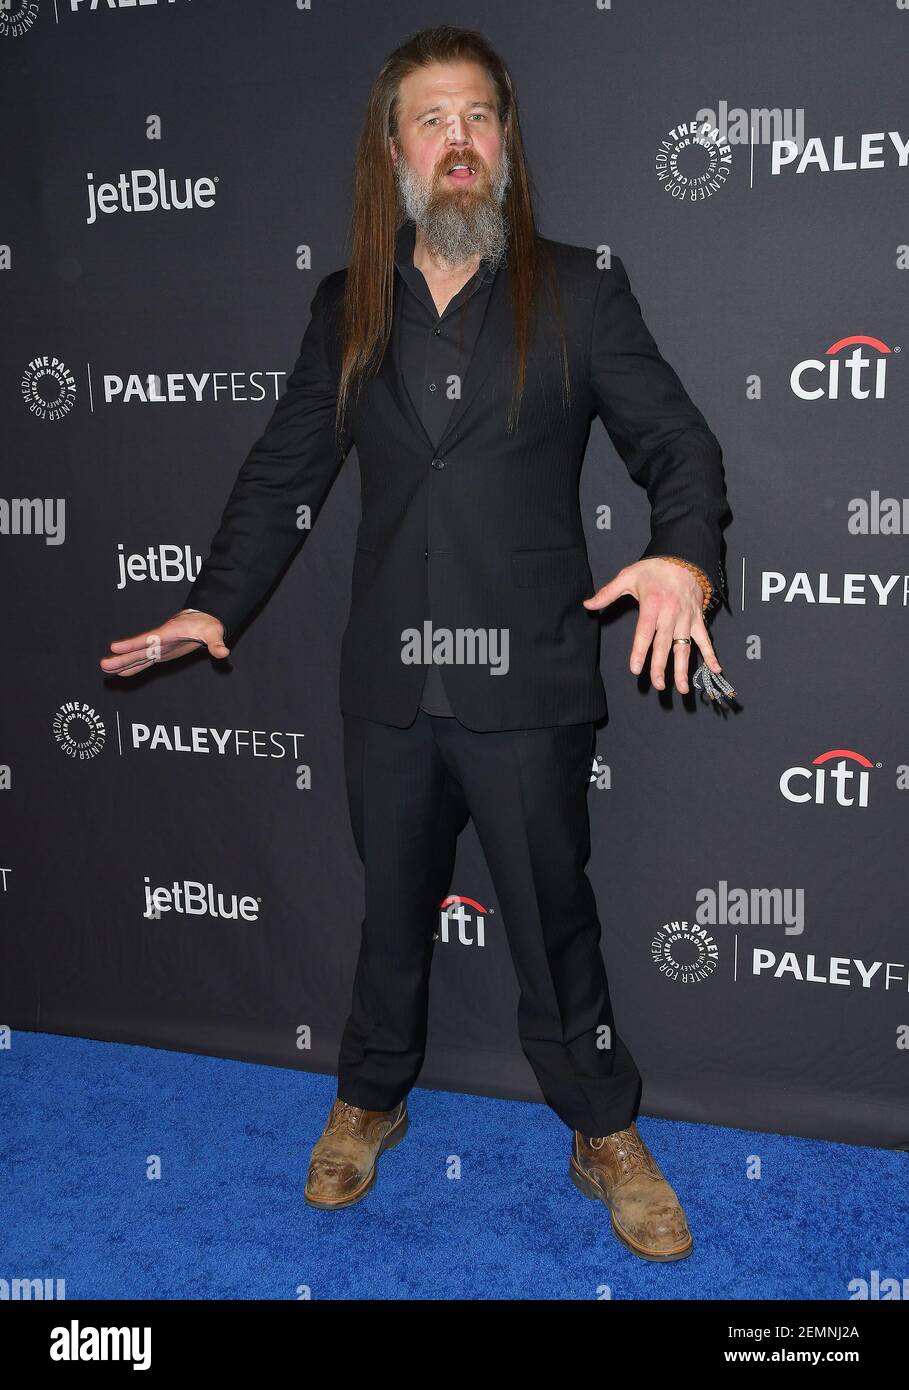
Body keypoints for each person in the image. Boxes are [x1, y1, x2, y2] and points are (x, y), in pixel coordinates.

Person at [100, 24, 732, 1262]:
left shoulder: (583, 289)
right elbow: (289, 465)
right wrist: (214, 602)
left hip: (530, 681)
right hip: (389, 683)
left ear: (505, 144)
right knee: (391, 914)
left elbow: (681, 448)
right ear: (392, 152)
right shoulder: (350, 304)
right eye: (432, 119)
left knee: (557, 922)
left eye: (479, 117)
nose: (459, 139)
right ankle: (369, 1098)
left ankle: (604, 1128)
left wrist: (686, 554)